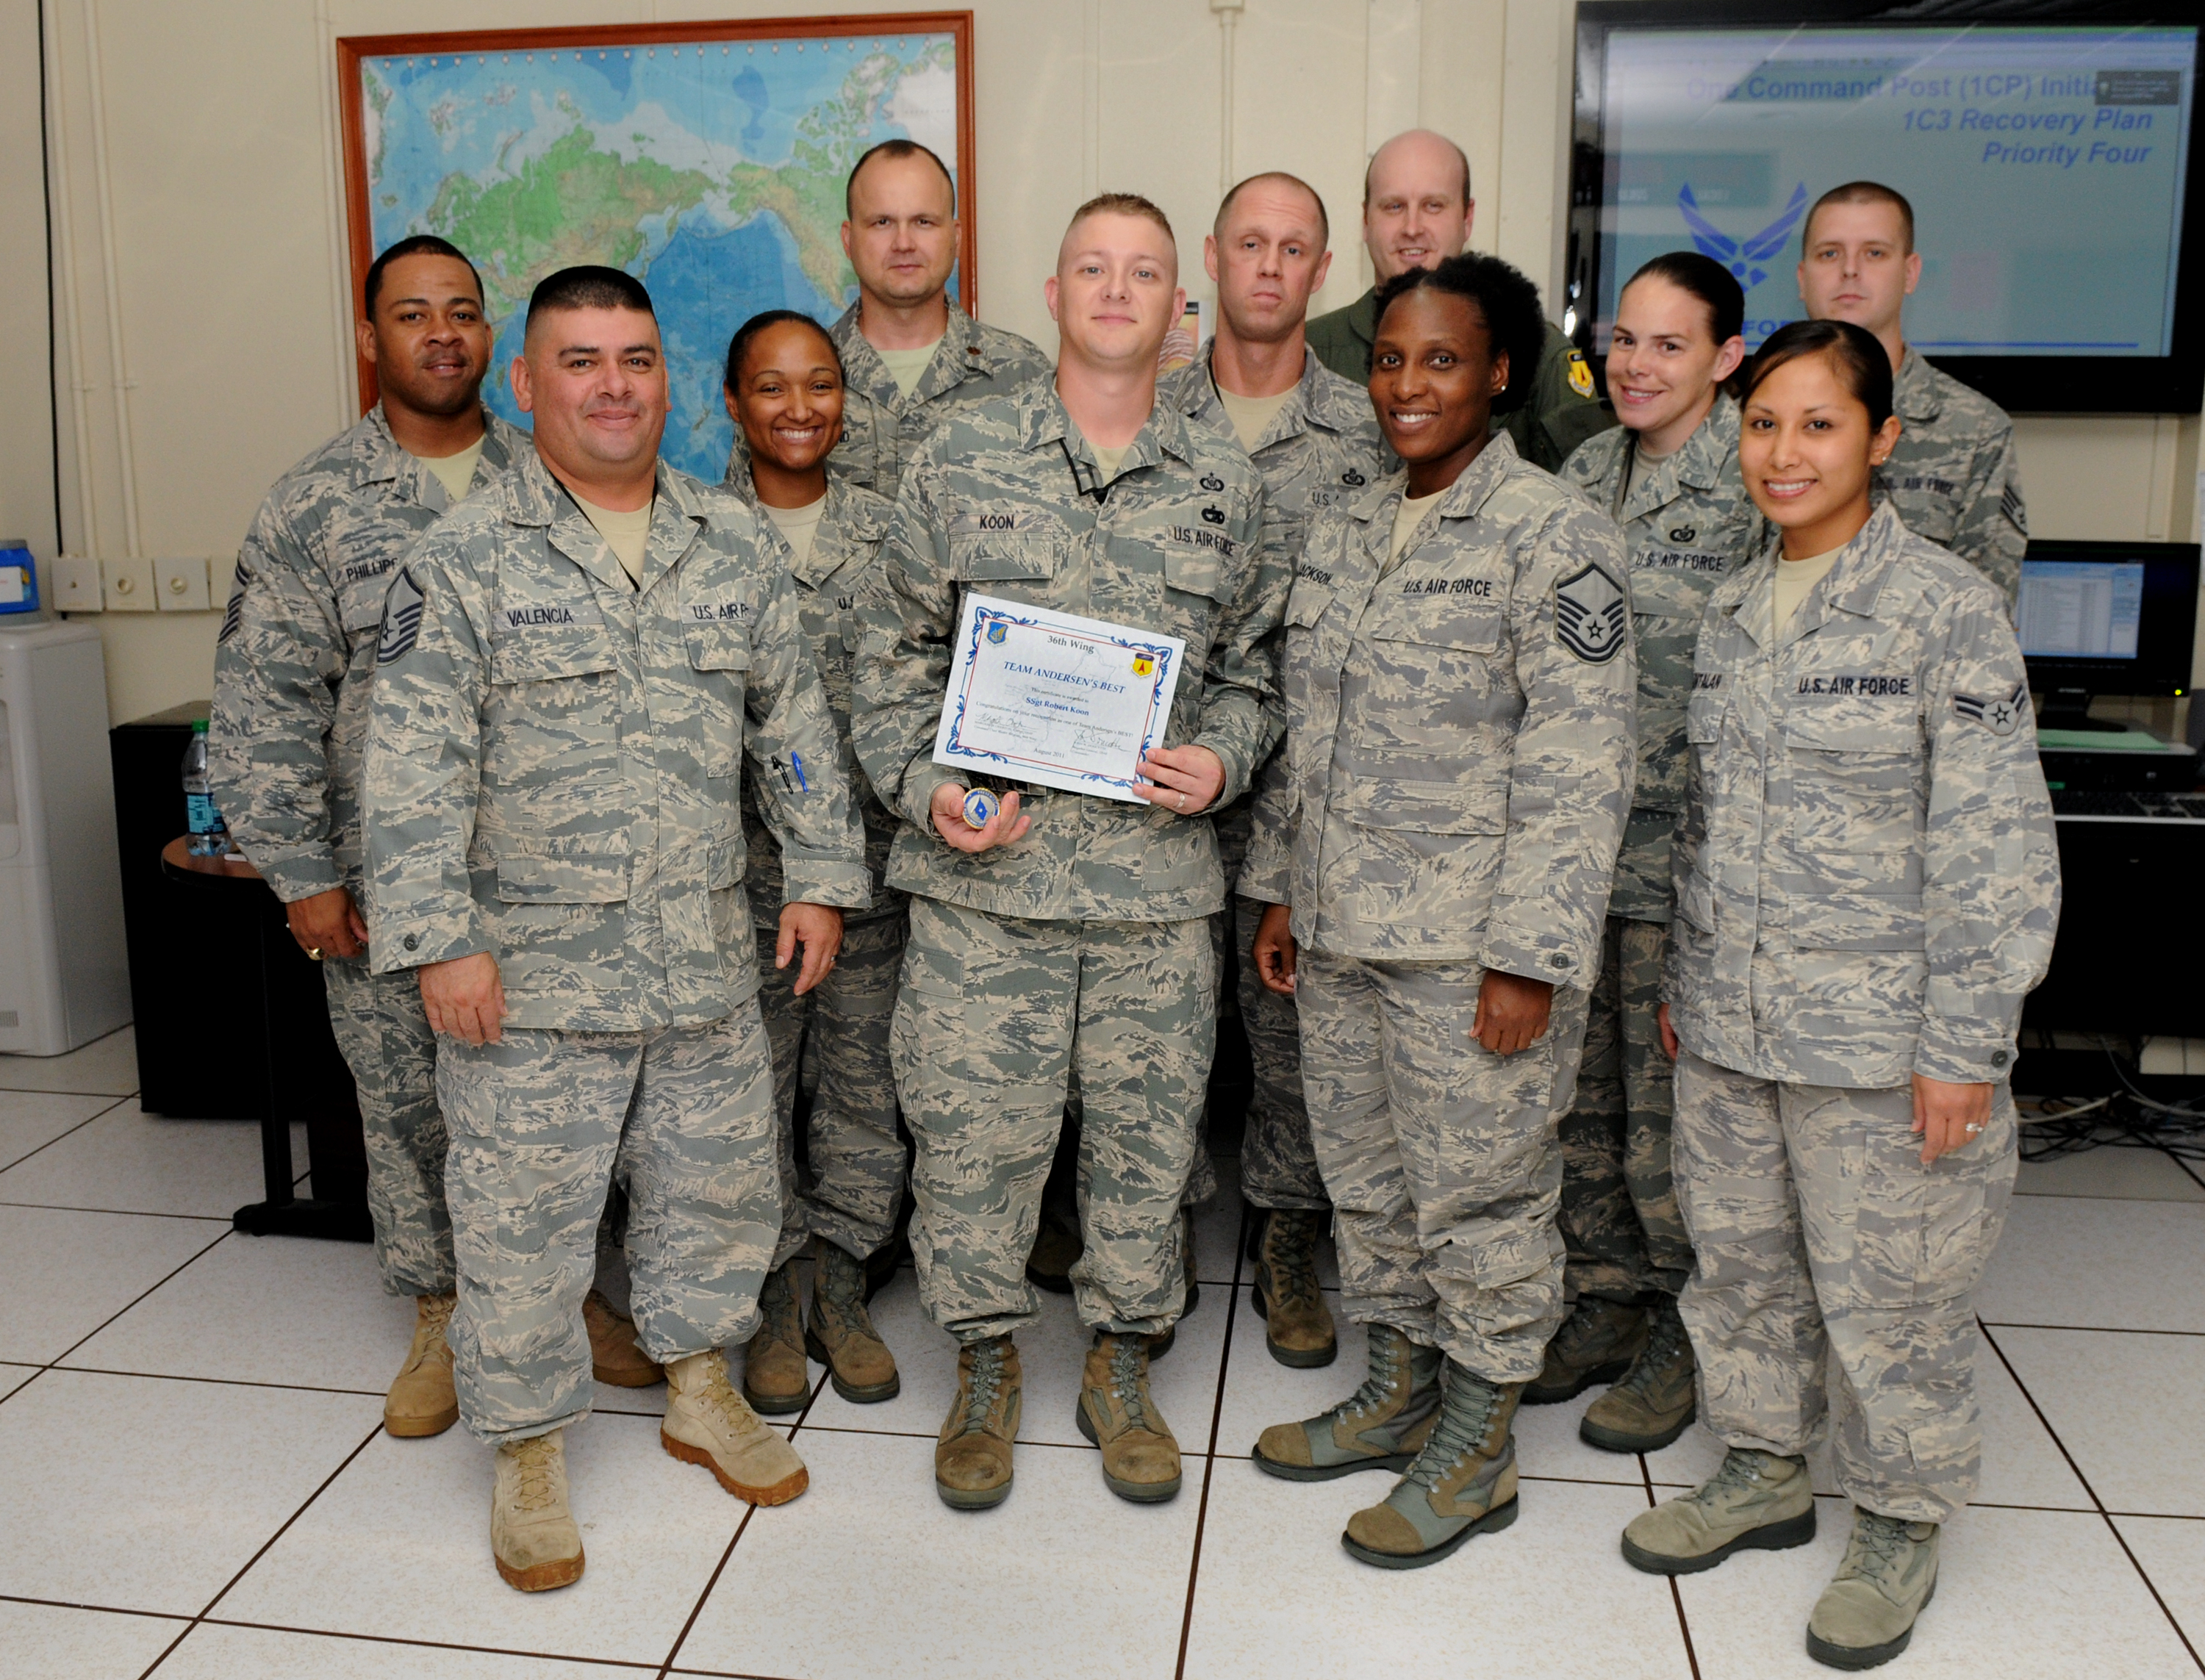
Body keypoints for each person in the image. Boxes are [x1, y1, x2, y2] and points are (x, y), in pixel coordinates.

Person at [362, 266, 870, 1592]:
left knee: (715, 1192)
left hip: (702, 952)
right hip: (523, 974)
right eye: (579, 360)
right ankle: (527, 1448)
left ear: (664, 377)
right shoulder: (464, 559)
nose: (611, 385)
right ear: (526, 386)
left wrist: (818, 872)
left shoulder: (730, 539)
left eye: (635, 359)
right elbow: (410, 769)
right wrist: (437, 937)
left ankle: (703, 1386)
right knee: (523, 1222)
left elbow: (796, 730)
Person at [1621, 319, 2057, 1670]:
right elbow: (1707, 816)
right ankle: (1762, 1465)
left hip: (1886, 1046)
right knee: (1745, 1269)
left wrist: (1965, 1047)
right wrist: (1695, 978)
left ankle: (1901, 1517)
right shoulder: (1738, 607)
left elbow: (1996, 844)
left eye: (1818, 424)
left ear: (1882, 439)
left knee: (1894, 1295)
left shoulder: (1944, 609)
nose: (1785, 451)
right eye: (1762, 423)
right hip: (1737, 1027)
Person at [853, 193, 1280, 1511]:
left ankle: (1121, 1357)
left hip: (1153, 897)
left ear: (1176, 304)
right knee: (973, 1143)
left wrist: (1228, 758)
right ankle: (984, 1361)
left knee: (1148, 1152)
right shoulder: (957, 457)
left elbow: (1257, 672)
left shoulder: (1227, 484)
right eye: (1092, 267)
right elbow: (887, 662)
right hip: (989, 885)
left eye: (1142, 270)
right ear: (1052, 290)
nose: (1115, 289)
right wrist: (927, 791)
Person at [209, 236, 659, 1441]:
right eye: (414, 315)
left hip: (549, 881)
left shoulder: (562, 479)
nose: (441, 333)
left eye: (462, 312)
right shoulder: (313, 504)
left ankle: (565, 1303)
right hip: (382, 885)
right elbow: (263, 705)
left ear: (496, 345)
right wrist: (301, 875)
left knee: (560, 1108)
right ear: (372, 339)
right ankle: (442, 1310)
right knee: (409, 1106)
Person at [1244, 253, 1635, 1569]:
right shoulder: (1347, 527)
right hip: (1346, 931)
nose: (1409, 385)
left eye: (1445, 360)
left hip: (1473, 947)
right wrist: (1287, 888)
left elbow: (1582, 763)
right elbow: (1311, 733)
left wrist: (1531, 956)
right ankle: (1402, 1385)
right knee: (1370, 1186)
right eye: (1394, 360)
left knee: (1482, 1199)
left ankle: (1477, 1442)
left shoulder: (1555, 533)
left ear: (1504, 373)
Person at [1158, 169, 1388, 1368]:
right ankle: (1142, 1230)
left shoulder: (1367, 430)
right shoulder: (1142, 414)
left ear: (1321, 271)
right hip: (1154, 789)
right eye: (1248, 241)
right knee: (1157, 1030)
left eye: (1293, 249)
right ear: (1212, 253)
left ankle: (1289, 1234)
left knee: (1293, 1042)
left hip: (1307, 800)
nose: (1267, 265)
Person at [1535, 253, 1764, 1450]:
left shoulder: (1756, 488)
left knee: (1674, 1122)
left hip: (1689, 872)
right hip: (1577, 863)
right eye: (1625, 339)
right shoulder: (1579, 475)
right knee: (1579, 1110)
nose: (1636, 363)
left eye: (1670, 345)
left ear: (1726, 357)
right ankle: (1603, 1299)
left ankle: (1688, 1325)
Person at [718, 311, 908, 1417]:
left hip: (879, 876)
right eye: (773, 388)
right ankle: (776, 1285)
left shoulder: (893, 532)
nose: (801, 408)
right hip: (738, 882)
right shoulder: (691, 531)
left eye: (822, 384)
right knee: (752, 1095)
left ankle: (845, 1277)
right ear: (733, 405)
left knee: (864, 1088)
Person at [1305, 129, 1613, 471]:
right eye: (1394, 207)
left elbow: (1590, 492)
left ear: (1467, 218)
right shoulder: (1310, 351)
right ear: (1365, 220)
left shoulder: (1535, 350)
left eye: (1433, 206)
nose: (1412, 227)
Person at [767, 137, 1050, 500]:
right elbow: (746, 537)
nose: (904, 242)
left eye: (923, 221)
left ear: (956, 237)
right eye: (882, 222)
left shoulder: (1023, 376)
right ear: (848, 240)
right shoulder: (791, 382)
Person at [1797, 181, 2027, 605]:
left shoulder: (1976, 429)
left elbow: (1984, 613)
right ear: (1802, 276)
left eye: (1874, 253)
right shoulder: (1747, 420)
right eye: (1829, 253)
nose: (1850, 270)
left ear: (1910, 273)